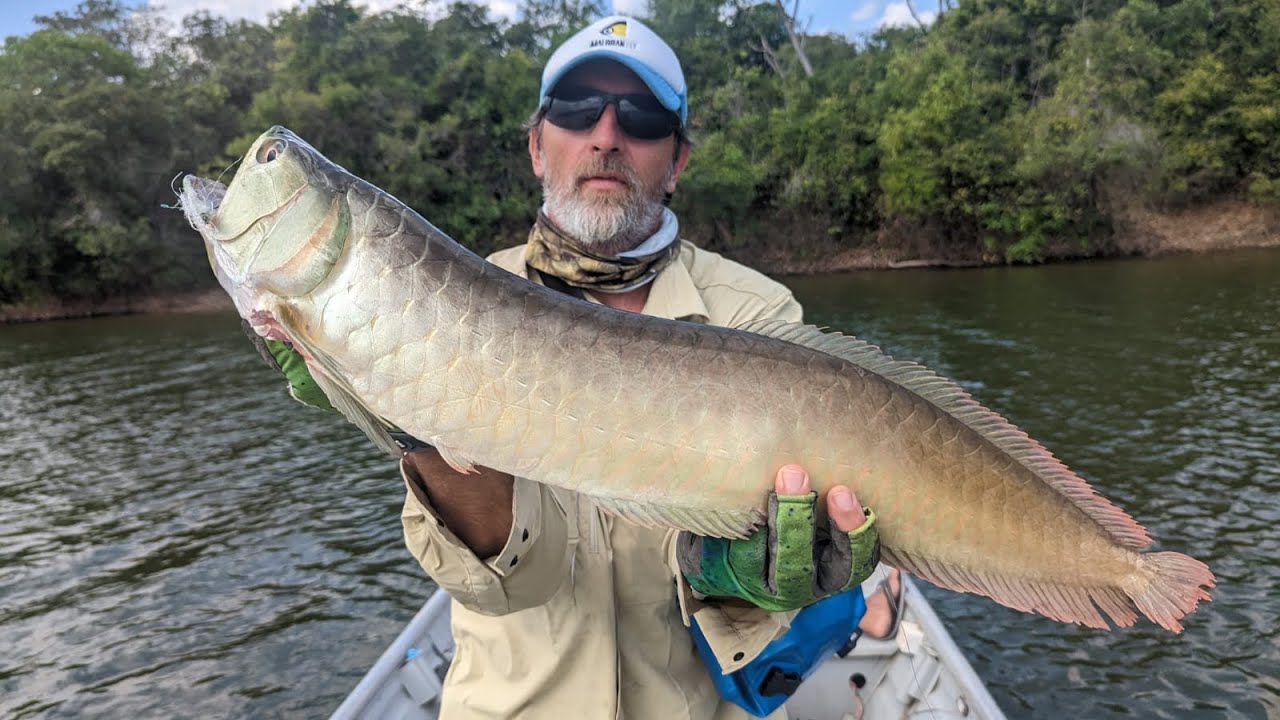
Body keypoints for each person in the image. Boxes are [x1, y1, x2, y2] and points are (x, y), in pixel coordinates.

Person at [265, 15, 903, 720]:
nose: (606, 136)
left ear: (678, 161)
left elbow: (767, 577)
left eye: (642, 117)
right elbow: (501, 585)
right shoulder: (435, 296)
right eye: (575, 109)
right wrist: (413, 425)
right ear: (537, 147)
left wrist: (738, 572)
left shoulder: (758, 311)